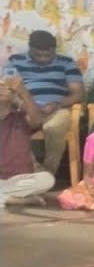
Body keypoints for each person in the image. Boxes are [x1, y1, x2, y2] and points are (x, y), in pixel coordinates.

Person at [7, 29, 84, 174]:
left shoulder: (66, 62)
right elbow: (8, 90)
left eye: (47, 55)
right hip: (24, 109)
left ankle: (48, 173)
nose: (43, 59)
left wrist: (58, 104)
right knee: (13, 128)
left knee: (54, 126)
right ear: (30, 49)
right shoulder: (15, 61)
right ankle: (28, 173)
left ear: (54, 50)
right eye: (38, 55)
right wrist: (26, 106)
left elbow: (78, 93)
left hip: (57, 110)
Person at [0, 75, 55, 207]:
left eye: (5, 88)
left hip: (19, 180)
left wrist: (23, 93)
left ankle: (4, 197)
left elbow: (37, 121)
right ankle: (11, 199)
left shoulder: (21, 117)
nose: (1, 90)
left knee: (47, 179)